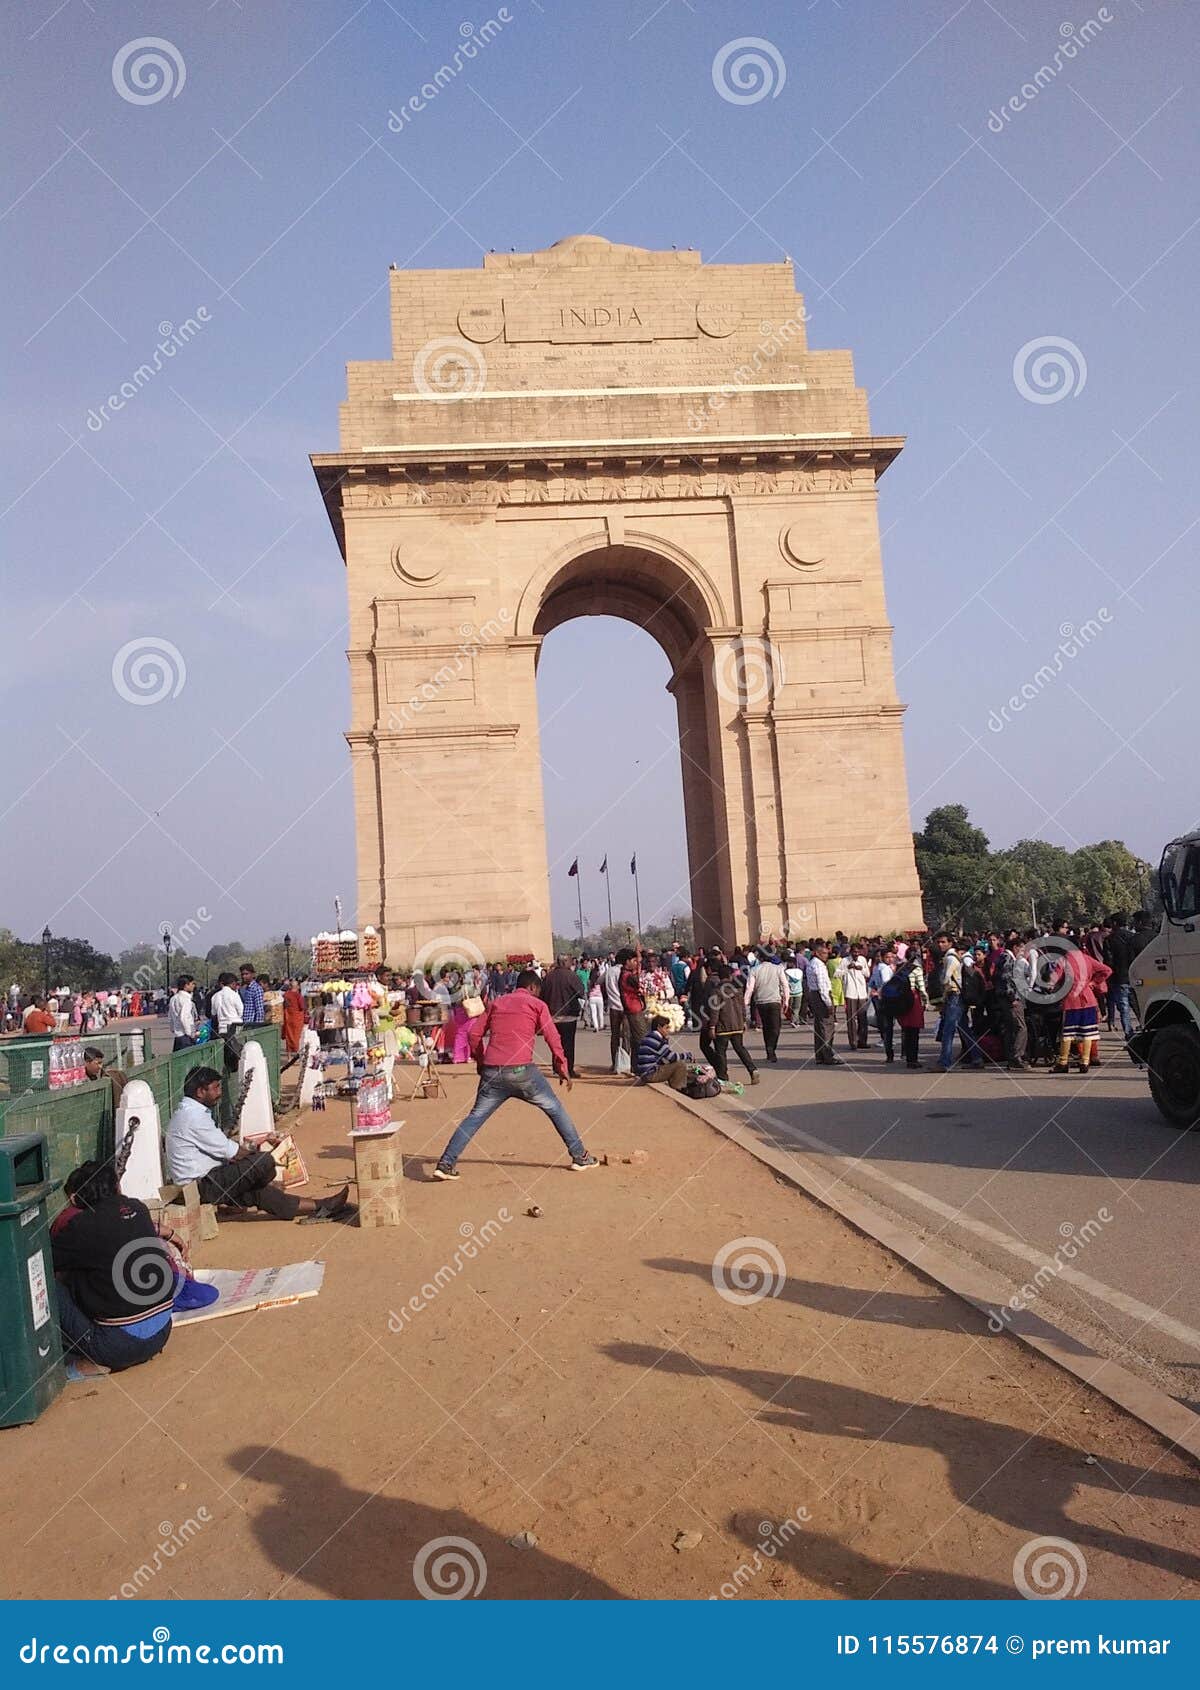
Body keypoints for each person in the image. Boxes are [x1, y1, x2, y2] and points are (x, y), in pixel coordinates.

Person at [432, 971, 596, 1179]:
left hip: (493, 1070)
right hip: (522, 1071)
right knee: (555, 1108)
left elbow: (474, 1034)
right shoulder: (537, 1005)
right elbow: (552, 1037)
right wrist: (562, 1066)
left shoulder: (496, 1003)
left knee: (474, 1117)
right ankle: (580, 1155)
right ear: (533, 988)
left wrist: (482, 1062)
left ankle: (446, 1163)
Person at [50, 1134, 178, 1373]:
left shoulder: (82, 1226)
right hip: (162, 1333)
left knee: (46, 1286)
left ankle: (85, 1362)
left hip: (117, 1347)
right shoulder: (138, 1209)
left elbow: (49, 1262)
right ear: (117, 1187)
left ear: (74, 1198)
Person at [166, 1067, 348, 1219]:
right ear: (200, 1092)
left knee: (261, 1193)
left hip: (210, 1180)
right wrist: (263, 1160)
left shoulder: (191, 1113)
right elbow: (234, 1153)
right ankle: (263, 1185)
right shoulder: (193, 1117)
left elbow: (226, 1149)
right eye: (215, 1088)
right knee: (264, 1161)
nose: (219, 1093)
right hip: (201, 1186)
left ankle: (322, 1205)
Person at [1053, 948, 1111, 1075]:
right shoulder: (1087, 958)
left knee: (1067, 1034)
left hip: (1071, 1001)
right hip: (1088, 999)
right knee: (1088, 1032)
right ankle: (1085, 1062)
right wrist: (1093, 982)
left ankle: (1063, 1062)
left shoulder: (1062, 960)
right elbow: (1107, 970)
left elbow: (1053, 980)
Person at [703, 965, 759, 1085]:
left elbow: (715, 1010)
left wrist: (712, 1026)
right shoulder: (737, 989)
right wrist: (744, 1021)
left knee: (721, 1051)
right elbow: (743, 1007)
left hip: (723, 1026)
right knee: (740, 1048)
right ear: (730, 976)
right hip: (737, 1025)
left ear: (719, 976)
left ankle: (723, 1077)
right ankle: (753, 1070)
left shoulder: (716, 991)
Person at [542, 955, 584, 1078]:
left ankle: (556, 1068)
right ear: (565, 962)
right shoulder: (571, 975)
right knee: (568, 1044)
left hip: (553, 1015)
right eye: (570, 961)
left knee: (555, 1043)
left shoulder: (548, 977)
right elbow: (581, 992)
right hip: (568, 1015)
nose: (571, 963)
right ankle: (568, 1069)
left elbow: (542, 994)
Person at [993, 939, 1029, 1070]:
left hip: (1003, 998)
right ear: (1015, 947)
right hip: (1010, 998)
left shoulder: (1001, 957)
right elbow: (1007, 979)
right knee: (1021, 1027)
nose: (1022, 952)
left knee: (1010, 1028)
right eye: (1021, 949)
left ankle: (1011, 1057)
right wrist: (1012, 997)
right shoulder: (1008, 959)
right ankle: (1017, 1057)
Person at [805, 941, 840, 1067]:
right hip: (821, 996)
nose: (826, 955)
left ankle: (819, 1056)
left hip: (814, 995)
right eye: (824, 953)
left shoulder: (811, 963)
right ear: (817, 953)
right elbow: (823, 986)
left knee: (819, 1027)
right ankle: (827, 1055)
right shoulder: (819, 965)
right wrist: (828, 1003)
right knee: (827, 1026)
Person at [634, 1015, 692, 1091]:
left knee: (671, 1065)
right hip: (650, 1074)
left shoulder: (649, 1036)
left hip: (644, 1073)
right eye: (666, 1027)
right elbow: (672, 1057)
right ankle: (679, 1089)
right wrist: (688, 1055)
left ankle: (674, 1087)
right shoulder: (657, 1038)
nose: (668, 1030)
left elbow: (663, 1057)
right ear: (659, 1027)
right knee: (680, 1065)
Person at [750, 951, 789, 1062]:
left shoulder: (754, 970)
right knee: (775, 1027)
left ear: (760, 958)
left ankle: (769, 1049)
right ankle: (771, 1048)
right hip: (774, 1001)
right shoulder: (778, 969)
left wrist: (745, 1002)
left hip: (761, 1002)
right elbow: (785, 985)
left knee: (767, 1027)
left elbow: (750, 988)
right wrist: (786, 1001)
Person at [839, 943, 871, 1050]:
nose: (856, 954)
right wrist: (847, 968)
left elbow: (867, 974)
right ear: (850, 952)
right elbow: (837, 974)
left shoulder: (862, 959)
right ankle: (853, 1042)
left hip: (861, 992)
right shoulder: (844, 961)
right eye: (854, 952)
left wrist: (860, 968)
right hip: (850, 992)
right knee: (851, 1018)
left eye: (858, 952)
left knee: (863, 1018)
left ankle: (862, 1041)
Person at [868, 946, 897, 1063]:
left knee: (883, 1025)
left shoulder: (877, 967)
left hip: (877, 998)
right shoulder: (885, 969)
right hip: (886, 999)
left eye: (891, 957)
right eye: (887, 957)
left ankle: (888, 1050)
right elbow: (886, 983)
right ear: (882, 957)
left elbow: (871, 983)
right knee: (888, 1026)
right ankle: (890, 1052)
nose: (890, 959)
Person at [83, 1046, 127, 1112]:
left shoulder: (104, 1075)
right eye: (98, 1063)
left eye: (101, 1063)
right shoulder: (81, 1078)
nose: (100, 1067)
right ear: (88, 1063)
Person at [167, 974, 198, 1051]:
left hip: (178, 1036)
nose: (193, 986)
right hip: (185, 1037)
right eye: (192, 984)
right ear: (186, 985)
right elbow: (184, 1018)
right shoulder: (186, 1000)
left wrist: (173, 1029)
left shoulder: (173, 998)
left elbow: (170, 1017)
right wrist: (191, 1034)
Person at [210, 971, 244, 1036]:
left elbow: (213, 1013)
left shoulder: (214, 996)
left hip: (222, 1029)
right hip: (235, 1027)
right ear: (232, 984)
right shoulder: (234, 994)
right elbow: (241, 1012)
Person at [282, 979, 307, 1055]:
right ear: (297, 987)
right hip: (297, 1019)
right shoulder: (298, 996)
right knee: (297, 1037)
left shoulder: (286, 995)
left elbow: (284, 1005)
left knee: (289, 1036)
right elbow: (302, 1007)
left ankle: (289, 1056)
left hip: (288, 1017)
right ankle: (296, 1054)